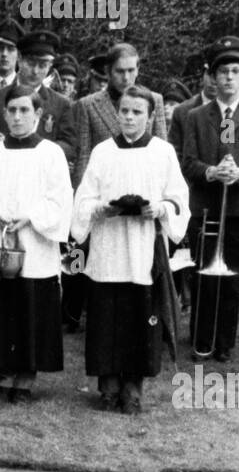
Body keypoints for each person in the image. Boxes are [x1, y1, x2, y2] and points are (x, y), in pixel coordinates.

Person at [72, 85, 188, 412]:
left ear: (150, 117)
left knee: (140, 319)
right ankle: (107, 388)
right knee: (107, 318)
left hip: (142, 251)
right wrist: (99, 209)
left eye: (137, 112)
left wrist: (160, 209)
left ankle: (133, 390)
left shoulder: (162, 152)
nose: (129, 117)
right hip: (109, 249)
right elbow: (84, 197)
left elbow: (179, 199)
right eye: (124, 111)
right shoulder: (103, 152)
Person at [0, 81, 73, 404]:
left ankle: (24, 382)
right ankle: (2, 379)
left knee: (31, 313)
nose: (17, 117)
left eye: (24, 110)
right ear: (4, 113)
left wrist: (31, 218)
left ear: (38, 113)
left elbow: (59, 200)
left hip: (36, 247)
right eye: (11, 110)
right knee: (0, 312)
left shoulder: (51, 154)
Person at [182, 35, 239, 363]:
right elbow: (188, 162)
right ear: (213, 77)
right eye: (223, 72)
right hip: (206, 208)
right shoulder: (196, 117)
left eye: (234, 72)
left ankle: (224, 343)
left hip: (237, 210)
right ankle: (201, 341)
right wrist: (211, 172)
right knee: (204, 277)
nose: (229, 78)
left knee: (232, 281)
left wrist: (237, 174)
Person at [0, 29, 77, 167]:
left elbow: (70, 145)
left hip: (41, 177)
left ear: (50, 66)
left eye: (42, 65)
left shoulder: (60, 103)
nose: (35, 71)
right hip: (2, 174)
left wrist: (46, 151)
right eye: (31, 63)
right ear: (20, 59)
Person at [72, 42, 166, 188]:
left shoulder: (154, 100)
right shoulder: (88, 105)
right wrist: (84, 203)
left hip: (146, 186)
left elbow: (162, 154)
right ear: (108, 71)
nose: (126, 77)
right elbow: (83, 160)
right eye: (120, 71)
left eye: (130, 70)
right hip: (106, 189)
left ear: (138, 70)